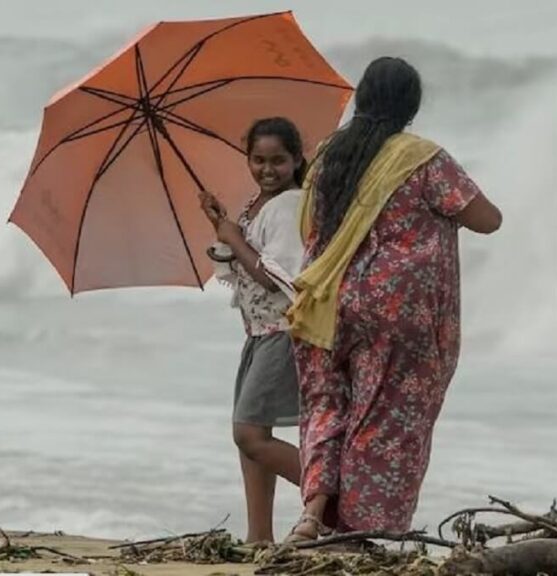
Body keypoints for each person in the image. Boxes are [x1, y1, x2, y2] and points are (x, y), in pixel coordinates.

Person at [283, 56, 502, 543]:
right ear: (410, 104)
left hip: (325, 303)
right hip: (396, 311)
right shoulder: (421, 158)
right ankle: (358, 536)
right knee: (382, 418)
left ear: (361, 97)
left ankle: (313, 516)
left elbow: (310, 226)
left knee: (326, 408)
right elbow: (488, 219)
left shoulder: (326, 155)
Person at [199, 117, 307, 545]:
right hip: (258, 333)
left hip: (283, 331)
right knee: (253, 438)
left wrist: (234, 238)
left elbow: (275, 276)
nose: (267, 169)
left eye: (278, 160)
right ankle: (259, 536)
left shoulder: (291, 204)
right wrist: (222, 226)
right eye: (258, 159)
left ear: (297, 160)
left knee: (247, 433)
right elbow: (238, 268)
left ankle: (338, 498)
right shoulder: (257, 205)